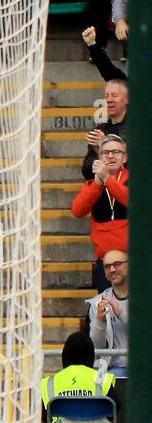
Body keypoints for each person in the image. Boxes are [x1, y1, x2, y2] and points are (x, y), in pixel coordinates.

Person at [71, 134, 129, 292]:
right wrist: (97, 182)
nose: (110, 156)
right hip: (106, 263)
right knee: (107, 312)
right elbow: (77, 210)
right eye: (105, 152)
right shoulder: (92, 183)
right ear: (99, 157)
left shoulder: (135, 179)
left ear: (124, 158)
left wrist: (108, 180)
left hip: (134, 262)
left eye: (116, 152)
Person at [89, 250, 129, 376]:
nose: (112, 269)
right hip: (113, 370)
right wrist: (100, 322)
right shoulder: (98, 302)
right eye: (107, 266)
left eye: (117, 264)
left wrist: (121, 314)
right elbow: (96, 349)